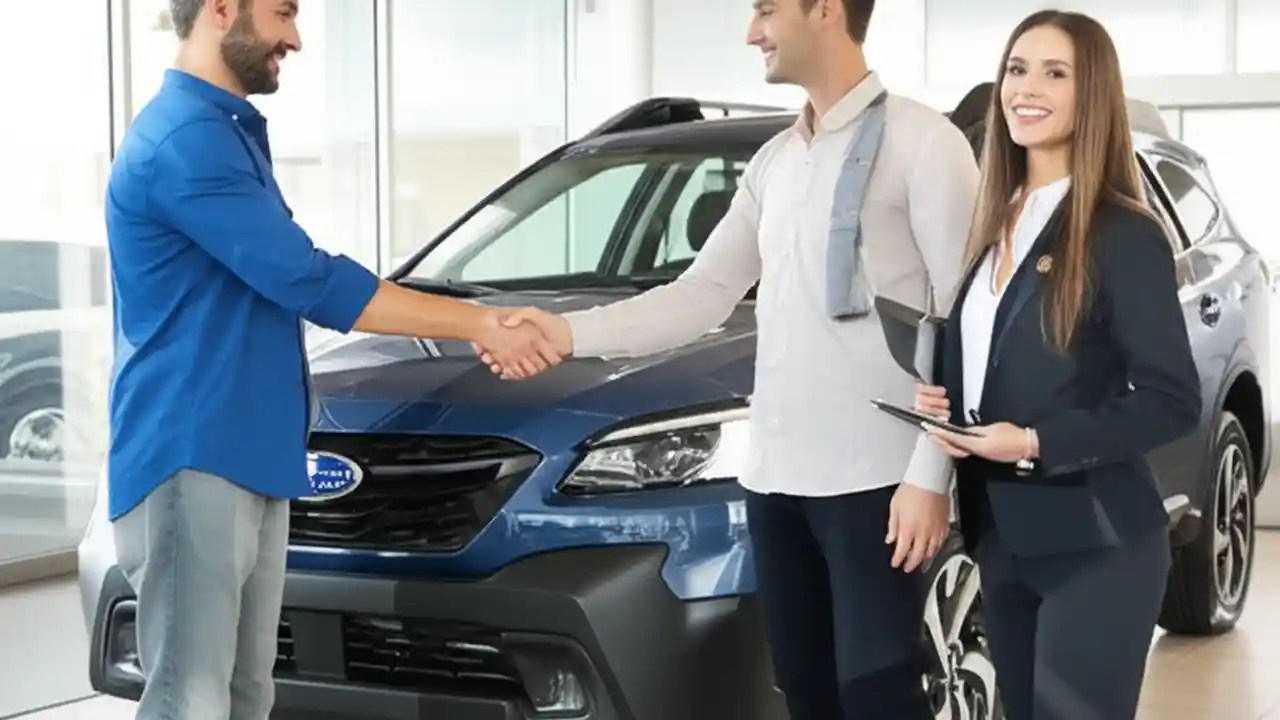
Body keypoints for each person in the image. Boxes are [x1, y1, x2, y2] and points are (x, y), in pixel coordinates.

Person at [479, 1, 979, 716]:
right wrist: (562, 334)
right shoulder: (777, 160)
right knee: (805, 690)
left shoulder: (924, 144)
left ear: (827, 11)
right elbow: (702, 294)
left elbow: (963, 318)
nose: (752, 33)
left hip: (878, 479)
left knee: (877, 692)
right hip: (776, 481)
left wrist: (932, 473)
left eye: (767, 10)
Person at [103, 1, 559, 717]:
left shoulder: (222, 133)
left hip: (246, 453)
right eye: (283, 12)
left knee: (245, 692)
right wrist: (479, 324)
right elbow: (306, 278)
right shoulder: (185, 141)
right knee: (189, 697)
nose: (296, 37)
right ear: (222, 9)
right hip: (192, 455)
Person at [911, 10, 1202, 720]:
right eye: (1016, 69)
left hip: (1095, 543)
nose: (1026, 87)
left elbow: (1171, 399)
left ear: (1090, 93)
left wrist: (1037, 442)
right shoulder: (996, 225)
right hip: (1003, 538)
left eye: (1054, 72)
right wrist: (945, 404)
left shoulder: (1123, 232)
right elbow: (995, 364)